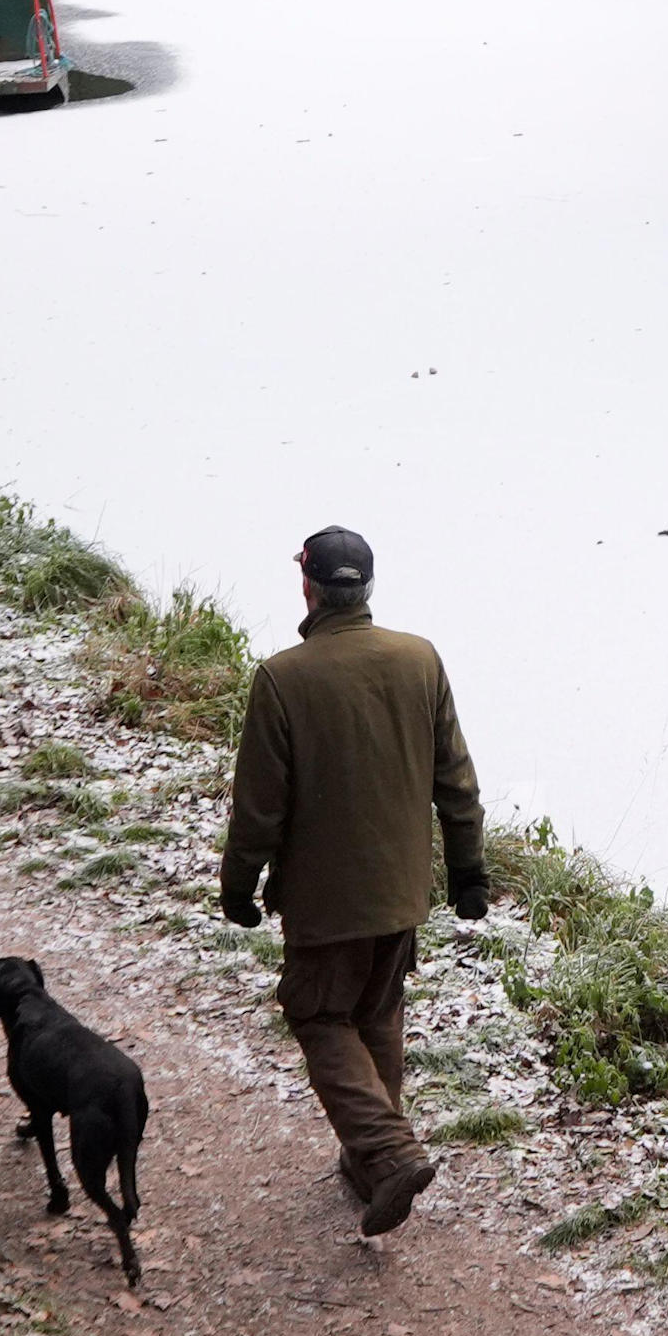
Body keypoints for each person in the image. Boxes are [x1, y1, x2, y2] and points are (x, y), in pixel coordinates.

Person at [219, 524, 486, 1236]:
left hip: (324, 901)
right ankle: (368, 1163)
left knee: (320, 1016)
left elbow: (258, 808)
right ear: (365, 587)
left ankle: (389, 1150)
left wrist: (237, 885)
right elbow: (455, 779)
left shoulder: (282, 678)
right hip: (402, 894)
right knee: (376, 1014)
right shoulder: (419, 659)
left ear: (307, 585)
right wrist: (468, 869)